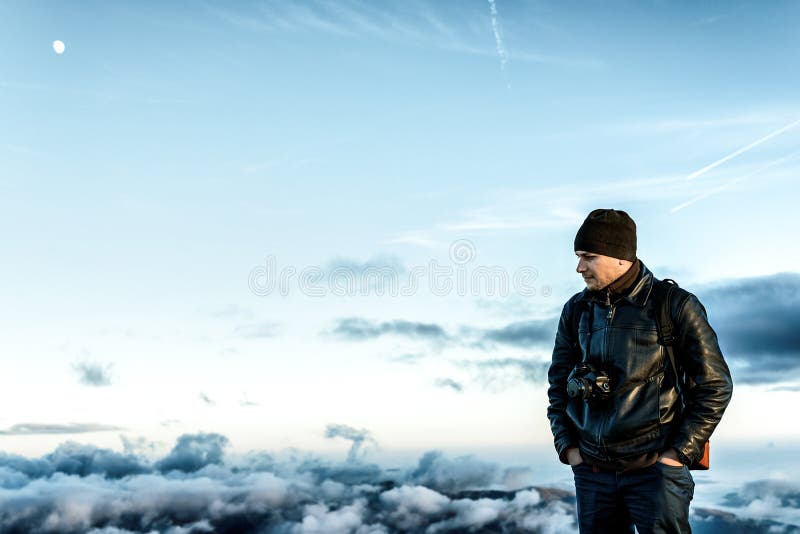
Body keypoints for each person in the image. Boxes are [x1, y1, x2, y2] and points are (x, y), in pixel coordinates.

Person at [547, 208, 733, 533]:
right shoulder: (576, 310)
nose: (579, 267)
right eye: (578, 257)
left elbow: (715, 385)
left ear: (620, 257)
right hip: (592, 472)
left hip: (655, 471)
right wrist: (569, 449)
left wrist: (677, 454)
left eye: (588, 257)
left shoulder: (673, 305)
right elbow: (558, 384)